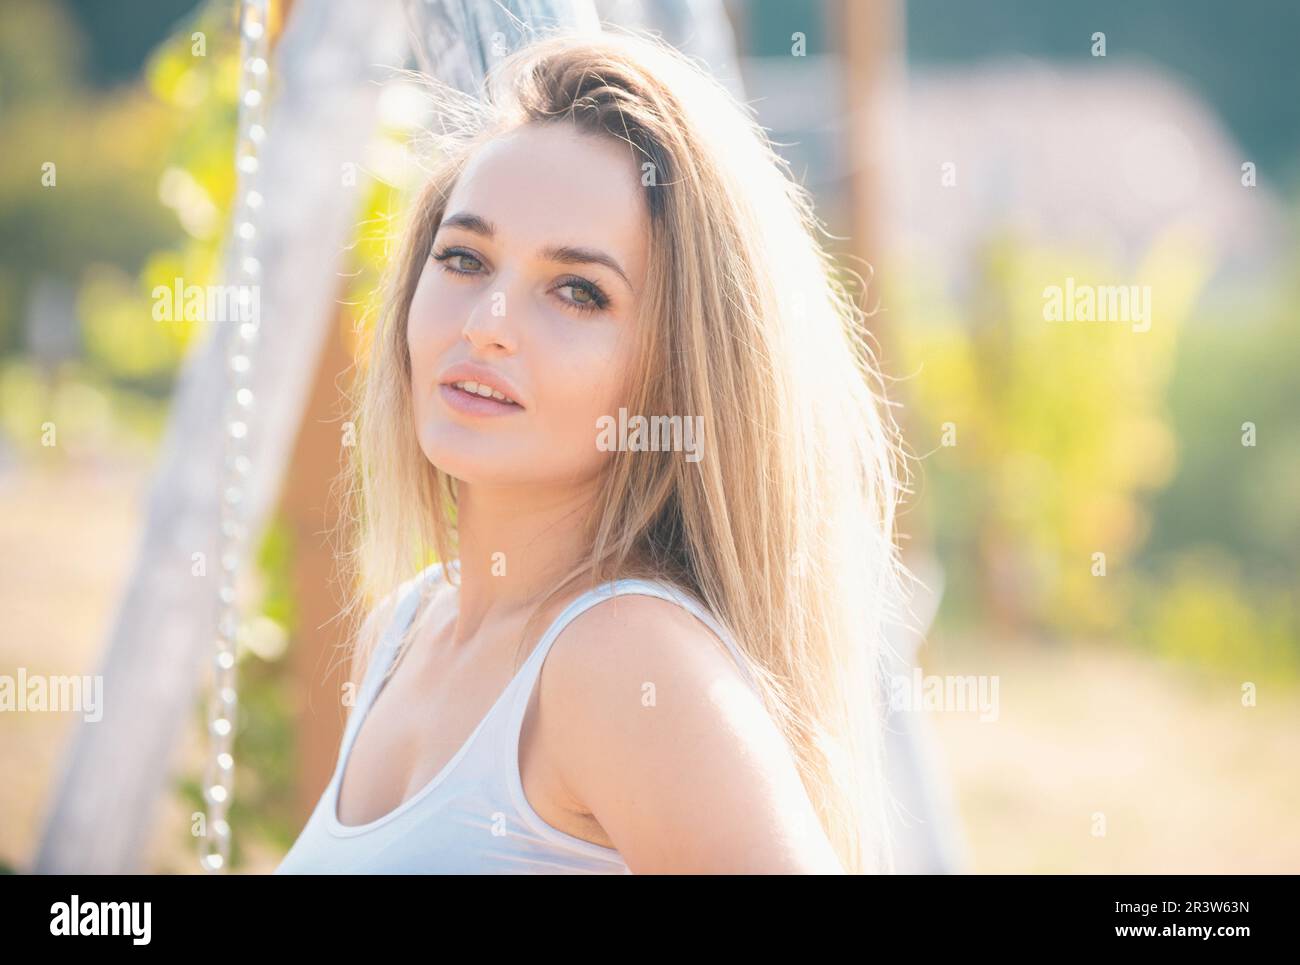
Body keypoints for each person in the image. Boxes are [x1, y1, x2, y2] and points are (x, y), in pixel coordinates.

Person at [276, 27, 908, 875]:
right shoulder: (403, 630)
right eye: (464, 257)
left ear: (677, 368)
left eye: (578, 291)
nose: (487, 324)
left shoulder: (624, 658)